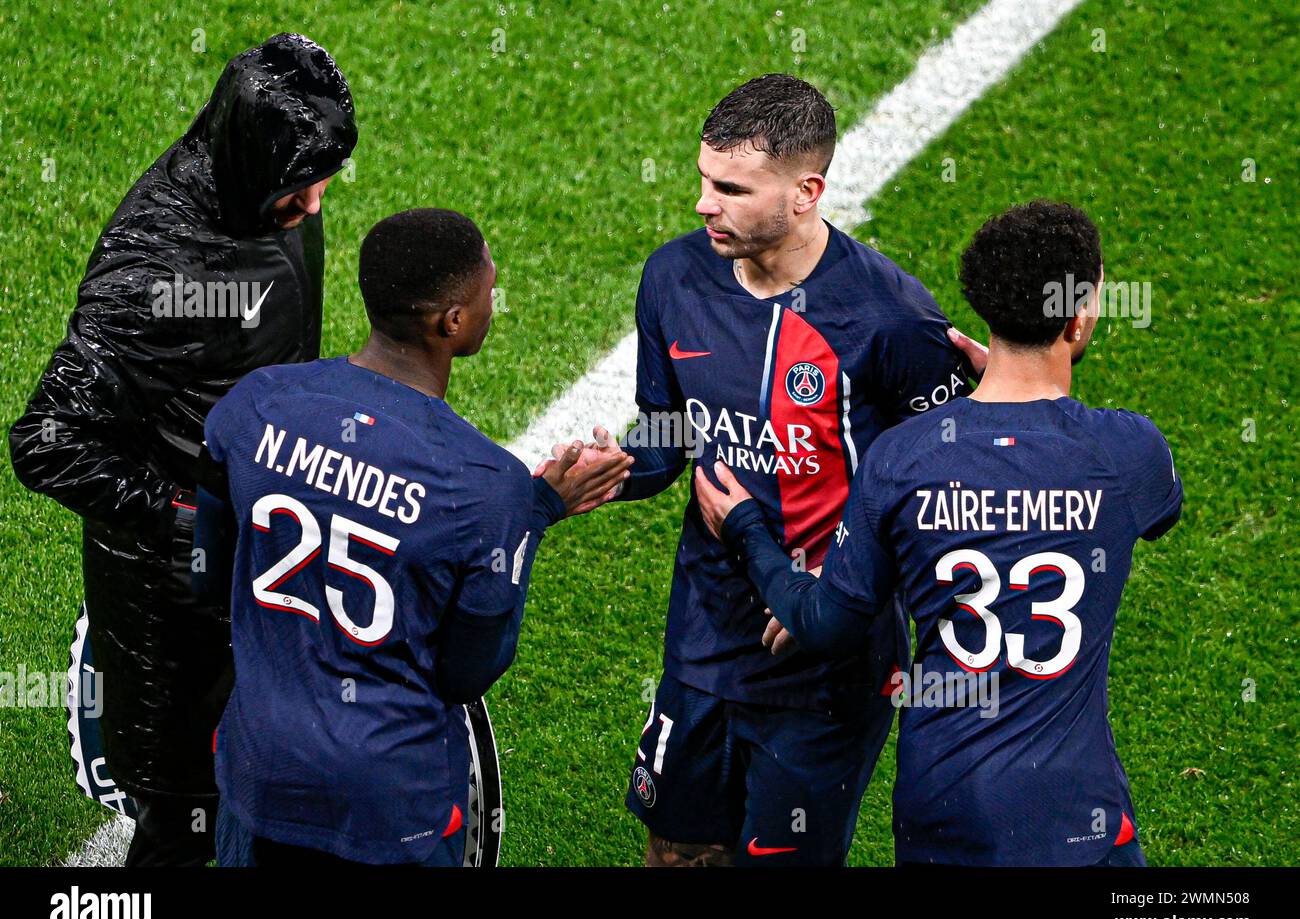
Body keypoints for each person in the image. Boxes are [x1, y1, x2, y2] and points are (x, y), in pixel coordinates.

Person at [552, 74, 981, 866]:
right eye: (702, 179)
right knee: (675, 852)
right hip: (706, 636)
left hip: (826, 664)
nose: (702, 205)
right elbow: (668, 434)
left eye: (729, 188)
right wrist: (616, 465)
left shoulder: (892, 319)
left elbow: (949, 491)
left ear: (805, 192)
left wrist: (843, 584)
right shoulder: (674, 278)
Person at [696, 200, 1182, 866]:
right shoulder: (1132, 454)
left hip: (945, 806)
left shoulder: (903, 459)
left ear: (984, 304)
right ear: (1082, 314)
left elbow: (824, 622)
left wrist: (748, 530)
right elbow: (1156, 507)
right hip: (1077, 817)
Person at [7, 33, 357, 865]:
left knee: (260, 784)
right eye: (299, 189)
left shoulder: (269, 186)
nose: (314, 206)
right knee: (181, 822)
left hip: (254, 556)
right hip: (171, 601)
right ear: (249, 156)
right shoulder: (155, 266)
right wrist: (180, 514)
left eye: (319, 184)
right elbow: (46, 440)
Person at [198, 208, 632, 866]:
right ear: (451, 323)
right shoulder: (489, 486)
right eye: (489, 285)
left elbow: (209, 578)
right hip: (389, 807)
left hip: (261, 778)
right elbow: (465, 673)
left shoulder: (257, 403)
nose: (495, 293)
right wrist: (533, 509)